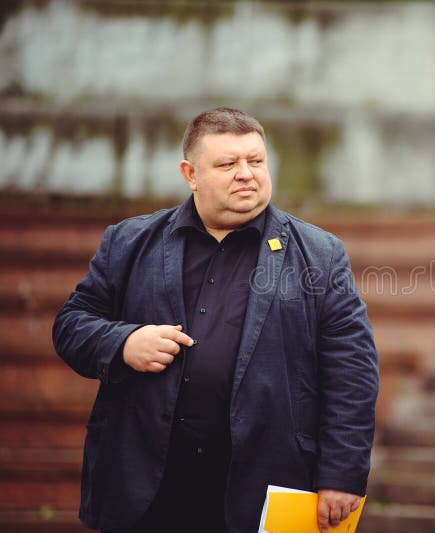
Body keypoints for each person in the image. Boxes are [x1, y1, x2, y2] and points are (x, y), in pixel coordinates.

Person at [52, 108, 379, 533]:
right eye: (228, 164)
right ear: (191, 173)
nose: (246, 174)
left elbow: (352, 371)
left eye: (256, 161)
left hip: (264, 487)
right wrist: (123, 342)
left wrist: (341, 474)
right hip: (146, 485)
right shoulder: (128, 241)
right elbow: (70, 324)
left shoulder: (320, 254)